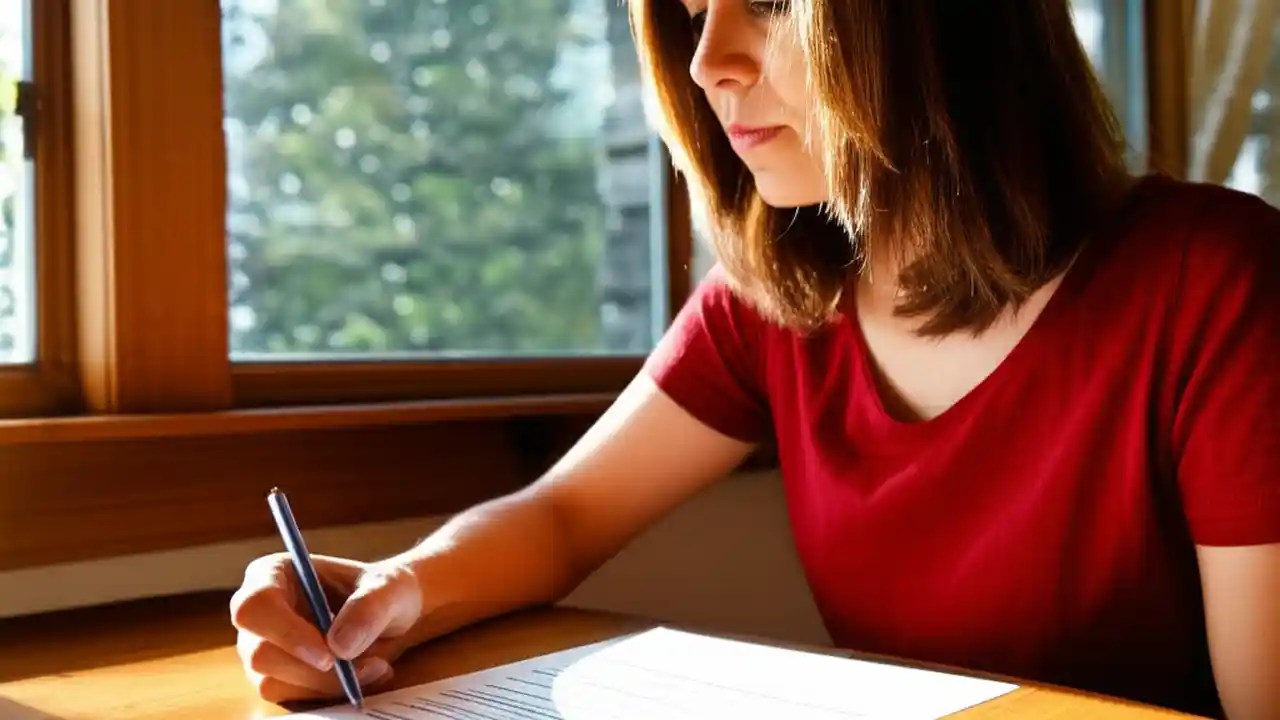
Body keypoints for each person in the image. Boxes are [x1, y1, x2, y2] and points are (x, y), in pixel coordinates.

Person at [229, 1, 1280, 717]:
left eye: (770, 2)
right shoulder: (776, 304)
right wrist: (392, 592)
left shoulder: (1215, 281)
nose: (704, 62)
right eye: (694, 10)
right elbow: (561, 518)